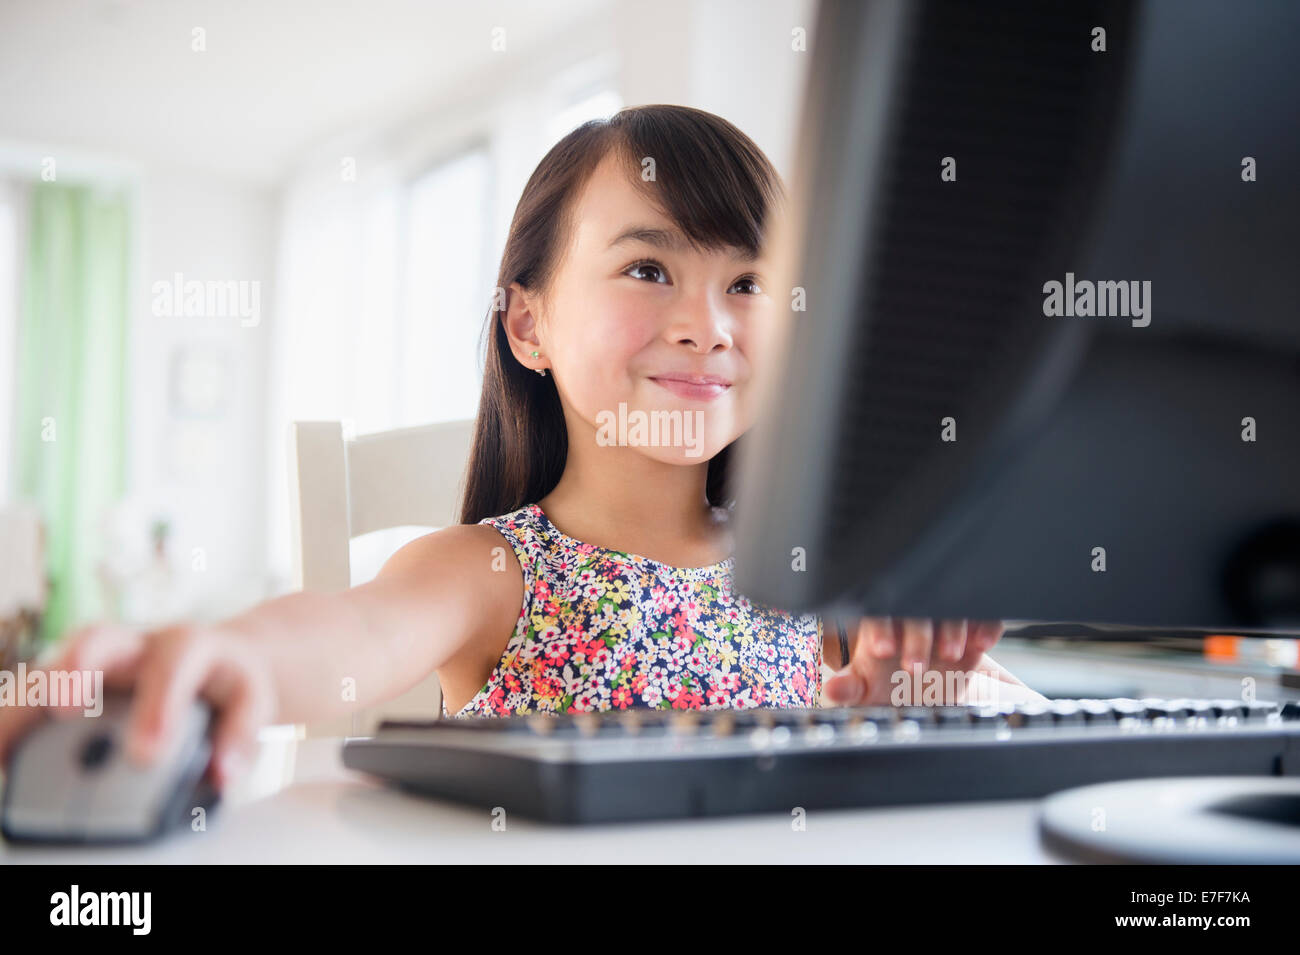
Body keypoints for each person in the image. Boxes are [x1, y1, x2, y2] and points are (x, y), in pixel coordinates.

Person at [0, 105, 1042, 792]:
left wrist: (921, 708)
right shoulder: (494, 570)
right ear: (528, 325)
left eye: (749, 283)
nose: (707, 325)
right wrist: (236, 658)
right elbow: (345, 632)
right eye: (647, 268)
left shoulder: (813, 574)